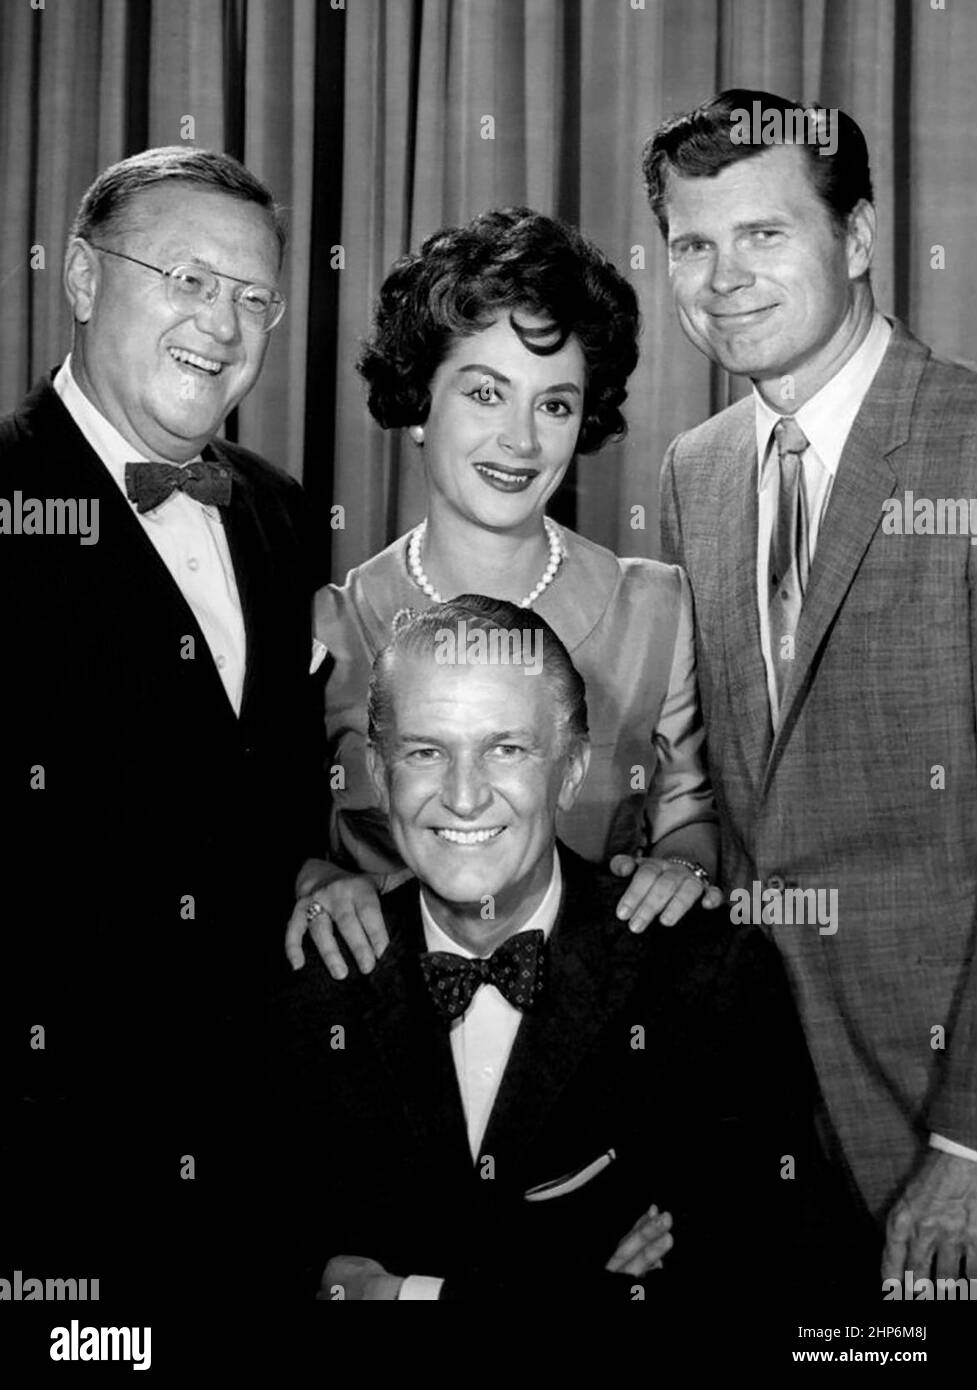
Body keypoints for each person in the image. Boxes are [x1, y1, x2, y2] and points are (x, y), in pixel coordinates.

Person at [273, 597, 867, 1303]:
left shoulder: (705, 976)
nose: (463, 797)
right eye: (426, 751)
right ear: (377, 768)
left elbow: (758, 1278)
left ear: (574, 768)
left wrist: (405, 1294)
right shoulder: (313, 980)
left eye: (506, 749)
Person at [643, 88, 977, 1280]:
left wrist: (966, 1140)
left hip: (941, 1121)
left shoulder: (966, 442)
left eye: (762, 234)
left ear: (856, 237)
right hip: (761, 1114)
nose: (722, 277)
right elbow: (740, 801)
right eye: (692, 242)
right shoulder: (698, 470)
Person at [0, 147, 325, 1298]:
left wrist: (314, 868)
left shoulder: (278, 514)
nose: (223, 325)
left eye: (252, 297)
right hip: (45, 1161)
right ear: (84, 279)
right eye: (186, 280)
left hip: (253, 1143)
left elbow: (270, 789)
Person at [286, 207, 720, 978]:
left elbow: (688, 814)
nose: (521, 440)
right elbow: (283, 837)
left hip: (600, 1028)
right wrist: (315, 878)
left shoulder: (657, 608)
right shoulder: (333, 622)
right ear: (419, 402)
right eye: (485, 394)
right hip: (383, 1038)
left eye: (553, 404)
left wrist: (680, 869)